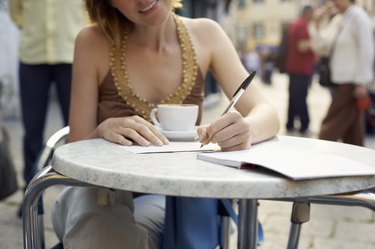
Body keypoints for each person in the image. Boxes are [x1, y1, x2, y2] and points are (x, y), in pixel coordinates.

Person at [51, 0, 280, 248]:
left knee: (121, 233)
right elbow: (75, 160)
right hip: (94, 192)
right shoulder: (92, 40)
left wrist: (245, 129)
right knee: (99, 221)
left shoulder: (207, 34)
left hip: (168, 201)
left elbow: (268, 113)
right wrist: (102, 130)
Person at [8, 0, 86, 192]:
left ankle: (74, 190)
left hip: (71, 54)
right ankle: (32, 190)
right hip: (32, 56)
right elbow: (15, 10)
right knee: (32, 129)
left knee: (74, 128)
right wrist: (30, 29)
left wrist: (80, 30)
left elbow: (90, 10)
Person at [312, 0, 374, 146]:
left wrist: (362, 82)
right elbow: (322, 47)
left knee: (328, 128)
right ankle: (358, 163)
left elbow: (366, 49)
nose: (333, 2)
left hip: (351, 83)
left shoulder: (358, 16)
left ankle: (317, 158)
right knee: (352, 133)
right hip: (339, 81)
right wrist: (317, 24)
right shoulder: (339, 18)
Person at [285, 5, 315, 135]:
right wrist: (316, 41)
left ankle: (290, 123)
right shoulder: (302, 26)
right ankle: (304, 125)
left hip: (294, 67)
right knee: (301, 97)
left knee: (293, 97)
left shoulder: (295, 24)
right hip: (301, 68)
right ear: (308, 14)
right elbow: (302, 47)